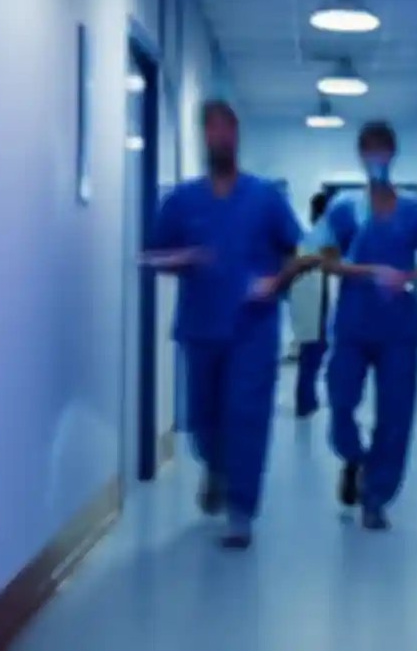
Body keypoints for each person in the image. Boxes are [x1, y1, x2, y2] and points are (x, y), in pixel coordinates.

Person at [143, 100, 318, 549]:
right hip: (200, 329)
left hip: (253, 331)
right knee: (203, 421)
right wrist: (179, 259)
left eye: (228, 129)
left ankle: (241, 511)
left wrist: (275, 281)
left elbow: (299, 255)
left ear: (237, 135)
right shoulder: (181, 202)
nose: (220, 137)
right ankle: (216, 468)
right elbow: (150, 254)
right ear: (203, 136)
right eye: (212, 129)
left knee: (247, 418)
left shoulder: (265, 198)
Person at [316, 121, 417, 530]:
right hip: (353, 325)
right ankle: (354, 457)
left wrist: (409, 279)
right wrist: (368, 270)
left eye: (382, 150)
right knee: (340, 402)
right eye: (368, 150)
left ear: (393, 155)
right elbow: (325, 259)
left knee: (396, 415)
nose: (376, 158)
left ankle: (376, 496)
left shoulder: (412, 212)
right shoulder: (343, 209)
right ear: (360, 156)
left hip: (398, 330)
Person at [290, 191, 334, 418]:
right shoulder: (316, 241)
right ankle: (305, 402)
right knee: (311, 355)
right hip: (315, 309)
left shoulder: (313, 240)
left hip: (318, 308)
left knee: (313, 354)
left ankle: (308, 400)